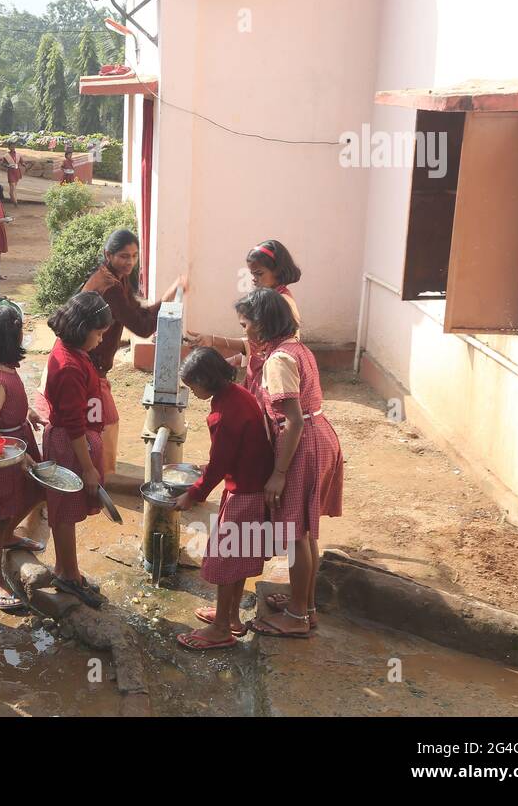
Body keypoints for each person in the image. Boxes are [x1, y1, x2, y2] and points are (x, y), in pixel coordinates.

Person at [235, 289, 343, 639]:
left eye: (247, 324)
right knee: (307, 531)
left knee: (294, 533)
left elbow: (292, 420)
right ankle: (305, 606)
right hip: (319, 434)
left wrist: (278, 474)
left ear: (263, 324)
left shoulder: (279, 360)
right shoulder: (298, 348)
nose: (245, 332)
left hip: (301, 442)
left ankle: (296, 618)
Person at [171, 348, 275, 650]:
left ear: (207, 379)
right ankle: (230, 616)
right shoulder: (237, 395)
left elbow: (218, 463)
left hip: (244, 493)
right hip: (252, 486)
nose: (192, 392)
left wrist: (193, 494)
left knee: (226, 558)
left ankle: (219, 631)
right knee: (238, 557)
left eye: (193, 386)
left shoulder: (224, 413)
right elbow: (232, 454)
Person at [81, 229, 185, 486]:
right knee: (103, 421)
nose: (129, 262)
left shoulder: (117, 278)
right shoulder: (110, 286)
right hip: (87, 363)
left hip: (93, 363)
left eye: (134, 256)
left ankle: (95, 470)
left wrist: (164, 300)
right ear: (108, 255)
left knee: (97, 420)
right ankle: (97, 475)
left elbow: (137, 313)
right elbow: (142, 326)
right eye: (123, 256)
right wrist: (168, 297)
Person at [41, 291, 114, 608]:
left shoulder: (67, 347)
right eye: (97, 333)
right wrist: (87, 468)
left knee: (63, 510)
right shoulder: (69, 366)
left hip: (74, 441)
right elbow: (73, 424)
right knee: (66, 512)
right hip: (71, 446)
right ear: (82, 327)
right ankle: (69, 575)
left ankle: (64, 568)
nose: (100, 340)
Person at [0, 301, 43, 611]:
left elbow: (8, 407)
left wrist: (27, 413)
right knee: (1, 513)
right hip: (6, 454)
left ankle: (6, 537)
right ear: (10, 338)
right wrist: (18, 456)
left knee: (36, 490)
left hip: (20, 439)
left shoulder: (5, 370)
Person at [184, 238, 302, 391]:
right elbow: (259, 345)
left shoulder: (281, 302)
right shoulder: (273, 296)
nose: (254, 279)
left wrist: (214, 340)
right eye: (252, 273)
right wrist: (232, 359)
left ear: (278, 271)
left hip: (273, 374)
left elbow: (259, 344)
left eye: (259, 273)